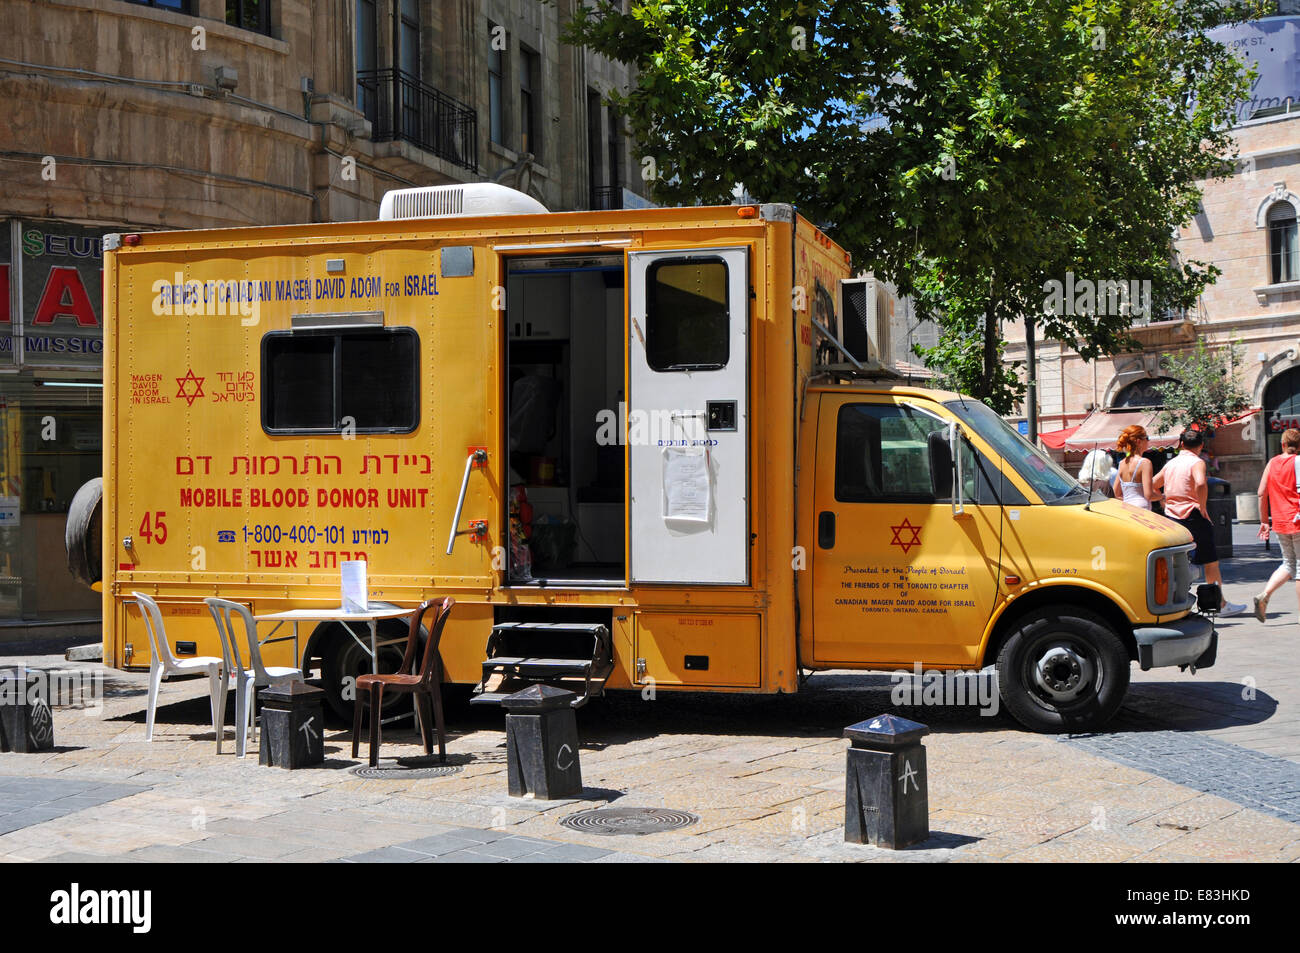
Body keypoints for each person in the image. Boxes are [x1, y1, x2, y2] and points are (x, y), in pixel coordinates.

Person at [1153, 429, 1245, 616]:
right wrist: (1202, 506)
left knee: (1177, 561)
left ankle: (1175, 601)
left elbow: (1153, 483)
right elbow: (1201, 483)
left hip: (1172, 516)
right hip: (1193, 515)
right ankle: (1219, 604)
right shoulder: (1197, 462)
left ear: (1181, 444)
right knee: (1210, 562)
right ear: (1201, 445)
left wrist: (1164, 500)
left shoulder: (1171, 464)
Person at [1253, 428, 1300, 622]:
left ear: (1282, 444)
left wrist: (1264, 521)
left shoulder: (1272, 463)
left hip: (1280, 521)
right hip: (1297, 520)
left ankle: (1265, 595)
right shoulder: (1298, 462)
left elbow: (1261, 493)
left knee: (1289, 563)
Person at [1110, 425, 1162, 510]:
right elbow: (1149, 495)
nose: (1148, 441)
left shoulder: (1122, 463)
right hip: (1142, 509)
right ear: (1138, 441)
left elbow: (1116, 493)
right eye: (1147, 438)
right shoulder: (1145, 463)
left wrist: (1131, 503)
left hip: (1127, 508)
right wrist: (1162, 497)